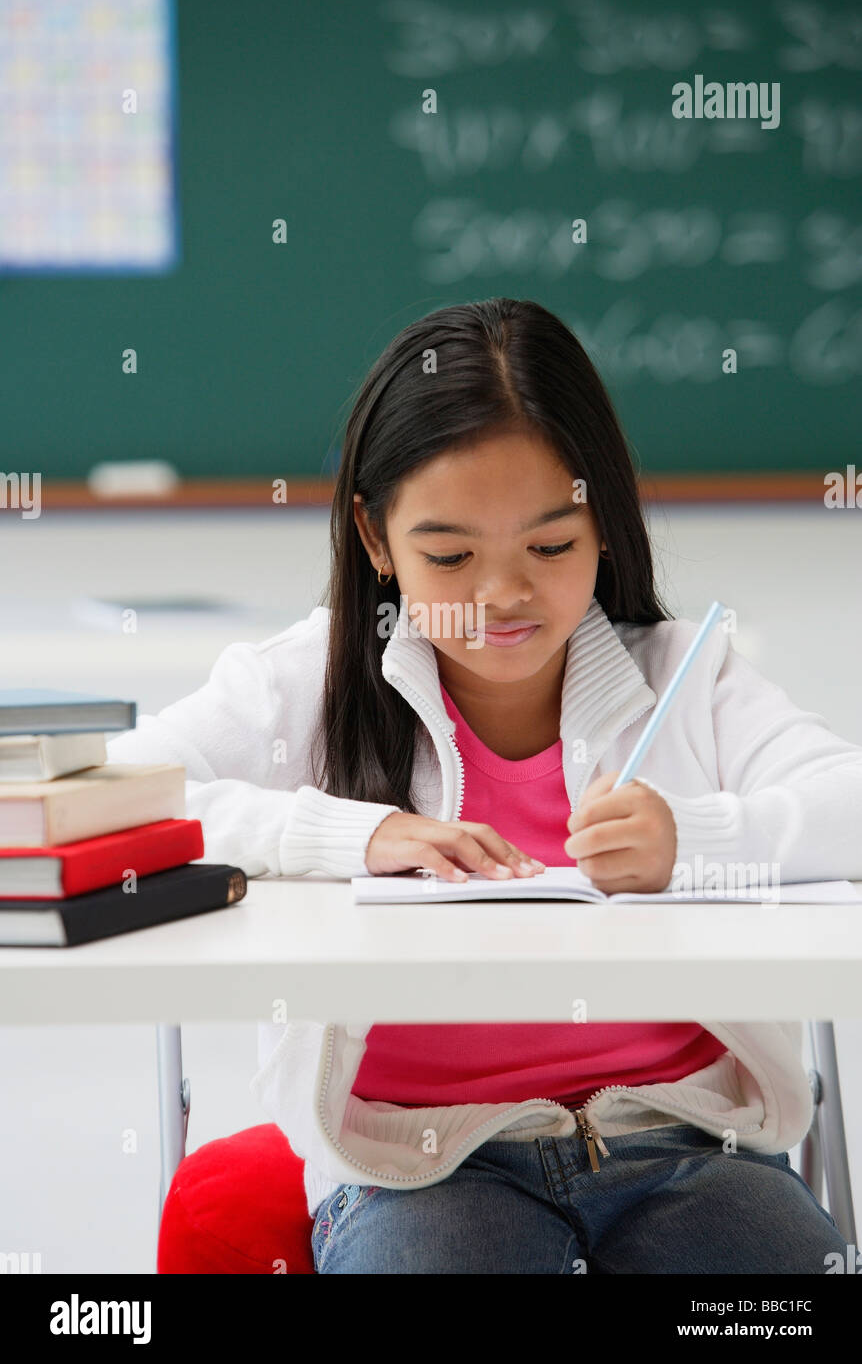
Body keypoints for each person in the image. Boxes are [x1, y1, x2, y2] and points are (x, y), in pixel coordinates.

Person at [108, 298, 861, 1273]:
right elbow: (116, 794)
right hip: (421, 1163)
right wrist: (352, 835)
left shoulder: (685, 675)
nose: (500, 597)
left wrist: (692, 841)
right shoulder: (314, 679)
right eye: (450, 555)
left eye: (549, 548)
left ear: (603, 524)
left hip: (686, 1142)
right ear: (376, 542)